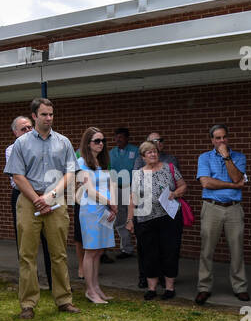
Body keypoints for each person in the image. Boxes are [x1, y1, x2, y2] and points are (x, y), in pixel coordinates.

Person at [6, 97, 79, 318]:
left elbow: (70, 173)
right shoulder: (21, 143)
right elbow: (17, 176)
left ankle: (64, 300)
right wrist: (37, 198)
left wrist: (51, 196)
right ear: (34, 116)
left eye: (51, 114)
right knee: (27, 254)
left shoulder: (63, 142)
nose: (49, 118)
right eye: (44, 114)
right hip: (29, 201)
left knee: (59, 254)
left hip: (55, 200)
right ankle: (28, 304)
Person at [194, 123, 249, 304]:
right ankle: (204, 287)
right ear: (212, 140)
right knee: (207, 250)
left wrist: (226, 157)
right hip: (211, 207)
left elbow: (236, 176)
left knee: (237, 250)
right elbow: (206, 183)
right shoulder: (204, 158)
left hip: (233, 208)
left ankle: (240, 287)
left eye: (224, 137)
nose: (221, 140)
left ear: (228, 137)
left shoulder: (239, 157)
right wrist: (234, 186)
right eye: (217, 138)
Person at [128, 140, 187, 299]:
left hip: (169, 218)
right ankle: (152, 289)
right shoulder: (138, 174)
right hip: (145, 220)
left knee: (170, 251)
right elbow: (132, 197)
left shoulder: (169, 168)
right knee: (149, 253)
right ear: (143, 156)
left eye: (155, 151)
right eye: (149, 152)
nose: (153, 154)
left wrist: (174, 194)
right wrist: (129, 219)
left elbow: (183, 186)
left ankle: (169, 288)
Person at [6, 114, 53, 291]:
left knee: (51, 242)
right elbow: (19, 177)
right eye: (22, 129)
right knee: (26, 244)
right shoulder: (12, 150)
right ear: (15, 133)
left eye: (29, 127)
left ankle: (54, 282)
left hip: (47, 196)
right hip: (23, 197)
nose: (27, 131)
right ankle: (29, 285)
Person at [75, 126, 118, 304]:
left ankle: (97, 287)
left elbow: (110, 185)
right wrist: (110, 203)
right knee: (90, 251)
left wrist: (113, 207)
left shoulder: (103, 162)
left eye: (103, 140)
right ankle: (90, 290)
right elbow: (90, 190)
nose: (101, 144)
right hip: (91, 211)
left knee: (99, 251)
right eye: (97, 141)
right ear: (88, 143)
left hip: (105, 211)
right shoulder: (82, 163)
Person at [109, 128, 138, 258]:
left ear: (127, 138)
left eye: (121, 137)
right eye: (116, 137)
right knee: (121, 219)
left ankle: (142, 247)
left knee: (136, 217)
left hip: (132, 188)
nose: (118, 139)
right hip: (117, 189)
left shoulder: (135, 151)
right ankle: (126, 249)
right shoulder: (111, 153)